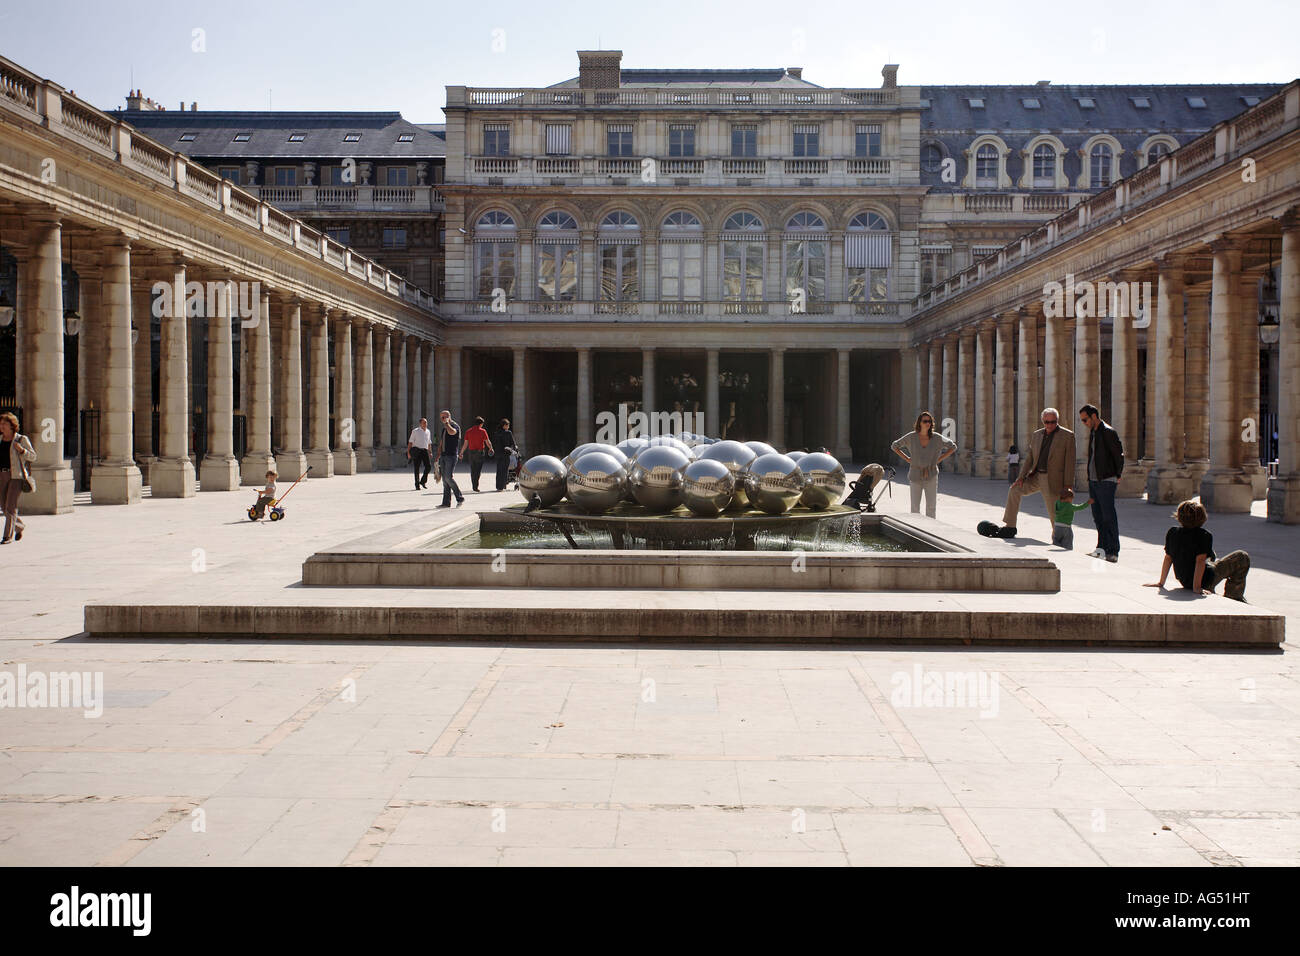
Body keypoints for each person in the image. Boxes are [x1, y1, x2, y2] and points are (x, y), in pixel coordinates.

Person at [1145, 499, 1251, 602]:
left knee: (1210, 555)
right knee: (1241, 557)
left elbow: (1168, 558)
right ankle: (1233, 595)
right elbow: (1200, 561)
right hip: (1205, 579)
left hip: (1185, 580)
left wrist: (1161, 582)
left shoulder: (1172, 532)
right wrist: (1197, 587)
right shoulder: (1204, 535)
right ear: (1203, 518)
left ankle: (1221, 590)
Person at [993, 407, 1076, 539]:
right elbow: (1030, 458)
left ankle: (1060, 538)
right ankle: (1010, 526)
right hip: (1036, 476)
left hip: (1053, 478)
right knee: (1014, 490)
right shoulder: (1037, 435)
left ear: (1057, 421)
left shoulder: (1067, 436)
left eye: (1053, 422)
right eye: (1047, 422)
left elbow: (1070, 463)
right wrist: (1021, 477)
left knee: (1055, 513)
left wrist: (1068, 485)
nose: (1050, 425)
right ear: (1043, 421)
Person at [1079, 403, 1124, 562]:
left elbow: (1118, 455)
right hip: (1093, 480)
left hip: (1106, 479)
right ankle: (1101, 549)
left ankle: (1113, 551)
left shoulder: (1108, 432)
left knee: (1108, 516)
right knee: (1097, 516)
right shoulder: (1094, 432)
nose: (1084, 423)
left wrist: (1117, 474)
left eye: (1085, 420)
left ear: (1094, 416)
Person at [891, 411, 957, 518]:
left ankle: (931, 530)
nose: (928, 423)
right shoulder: (911, 437)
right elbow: (895, 446)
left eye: (930, 421)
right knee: (915, 507)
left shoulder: (937, 437)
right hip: (915, 474)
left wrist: (938, 460)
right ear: (919, 423)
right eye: (925, 421)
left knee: (931, 507)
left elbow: (953, 447)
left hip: (931, 474)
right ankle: (916, 530)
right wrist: (907, 458)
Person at [0, 412, 37, 544]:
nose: (2, 426)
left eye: (4, 424)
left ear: (12, 425)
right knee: (3, 506)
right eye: (1, 423)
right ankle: (19, 526)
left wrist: (22, 451)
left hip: (16, 476)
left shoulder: (21, 439)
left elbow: (33, 456)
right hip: (2, 475)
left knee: (10, 507)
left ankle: (7, 536)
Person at [436, 410, 465, 509]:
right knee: (444, 480)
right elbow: (441, 442)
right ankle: (446, 503)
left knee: (448, 478)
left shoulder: (454, 426)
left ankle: (460, 497)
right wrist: (438, 454)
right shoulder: (444, 428)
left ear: (448, 417)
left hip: (451, 456)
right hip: (443, 455)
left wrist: (447, 424)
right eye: (441, 418)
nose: (442, 419)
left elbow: (453, 432)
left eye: (444, 417)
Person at [460, 416, 494, 492]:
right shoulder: (483, 431)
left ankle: (474, 485)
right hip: (480, 452)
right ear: (481, 424)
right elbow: (487, 441)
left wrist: (461, 452)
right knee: (478, 470)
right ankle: (476, 486)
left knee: (473, 469)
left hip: (471, 452)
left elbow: (465, 443)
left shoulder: (468, 431)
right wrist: (491, 448)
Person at [407, 417, 433, 490]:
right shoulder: (415, 431)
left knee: (428, 466)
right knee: (417, 468)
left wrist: (430, 452)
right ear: (420, 423)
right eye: (424, 422)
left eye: (426, 422)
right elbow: (410, 442)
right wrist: (408, 452)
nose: (425, 424)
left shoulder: (428, 431)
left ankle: (423, 481)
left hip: (424, 451)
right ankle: (417, 484)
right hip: (417, 450)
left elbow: (429, 443)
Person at [495, 418, 518, 492]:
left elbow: (495, 443)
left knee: (499, 470)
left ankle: (498, 486)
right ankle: (502, 486)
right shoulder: (508, 433)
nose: (508, 427)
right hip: (506, 454)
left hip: (499, 454)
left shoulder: (497, 433)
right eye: (507, 425)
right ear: (504, 425)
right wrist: (514, 450)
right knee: (504, 470)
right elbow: (513, 443)